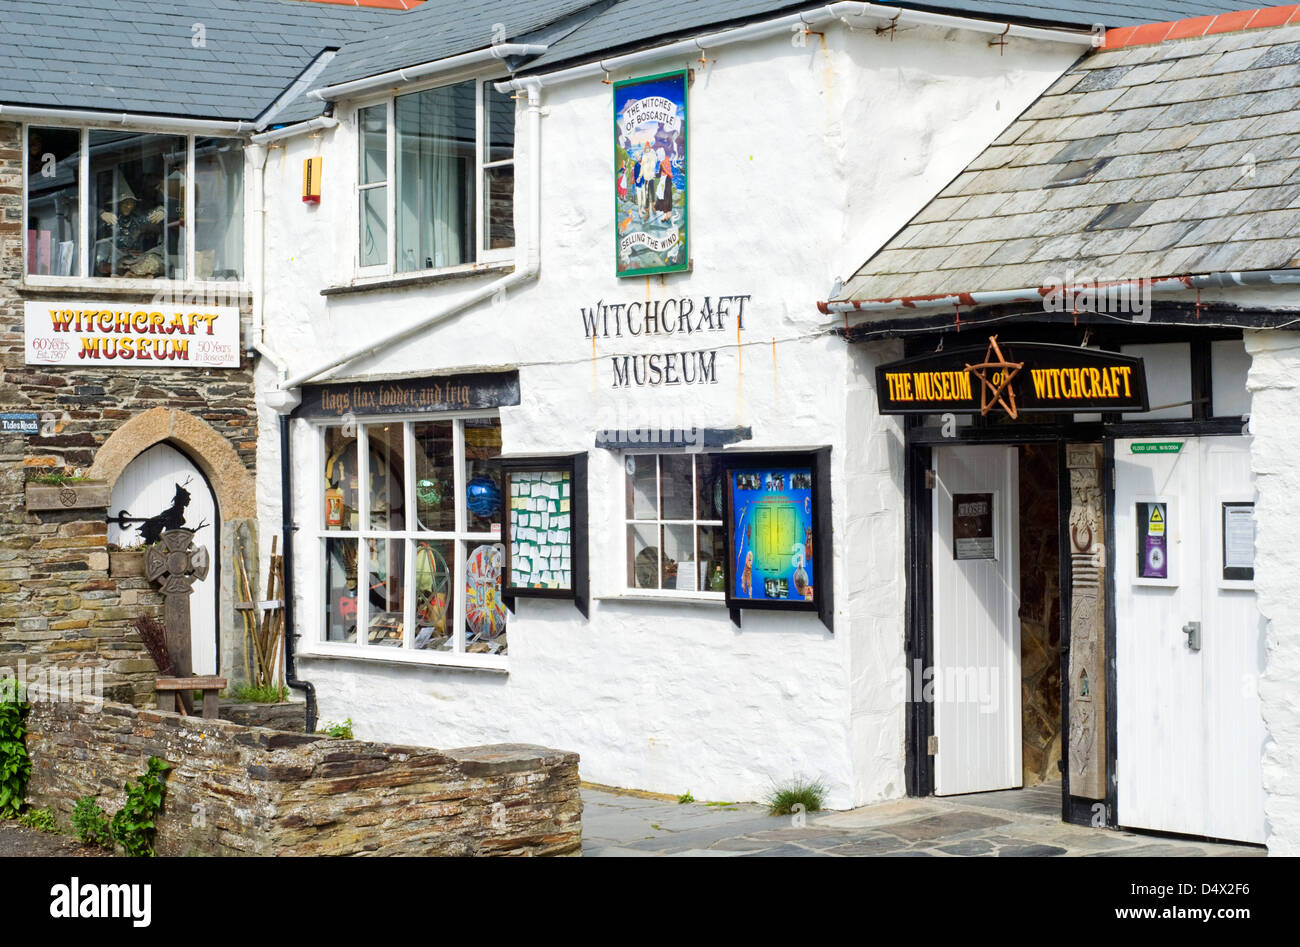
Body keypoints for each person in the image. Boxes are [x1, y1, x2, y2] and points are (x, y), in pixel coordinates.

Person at [95, 175, 164, 277]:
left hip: (139, 260)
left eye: (131, 203)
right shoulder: (108, 219)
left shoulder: (138, 218)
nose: (128, 206)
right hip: (115, 262)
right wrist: (100, 213)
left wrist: (162, 210)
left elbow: (152, 215)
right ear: (118, 203)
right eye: (125, 203)